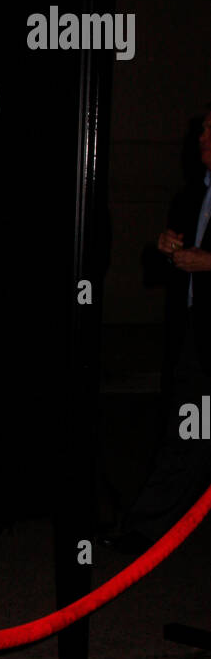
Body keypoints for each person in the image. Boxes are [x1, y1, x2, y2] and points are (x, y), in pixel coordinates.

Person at [105, 102, 211, 555]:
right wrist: (165, 249)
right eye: (201, 129)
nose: (201, 138)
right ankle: (146, 533)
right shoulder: (193, 195)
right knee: (186, 434)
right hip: (196, 339)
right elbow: (164, 264)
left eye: (210, 130)